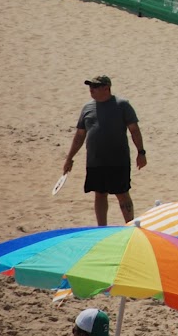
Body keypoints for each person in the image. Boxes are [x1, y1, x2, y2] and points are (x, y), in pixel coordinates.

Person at [62, 76, 146, 226]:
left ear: (106, 88)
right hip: (95, 160)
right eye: (90, 86)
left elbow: (134, 130)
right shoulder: (87, 108)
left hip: (118, 160)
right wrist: (69, 158)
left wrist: (141, 152)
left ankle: (130, 225)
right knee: (99, 194)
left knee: (122, 193)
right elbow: (80, 135)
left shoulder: (122, 105)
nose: (91, 89)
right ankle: (101, 227)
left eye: (95, 86)